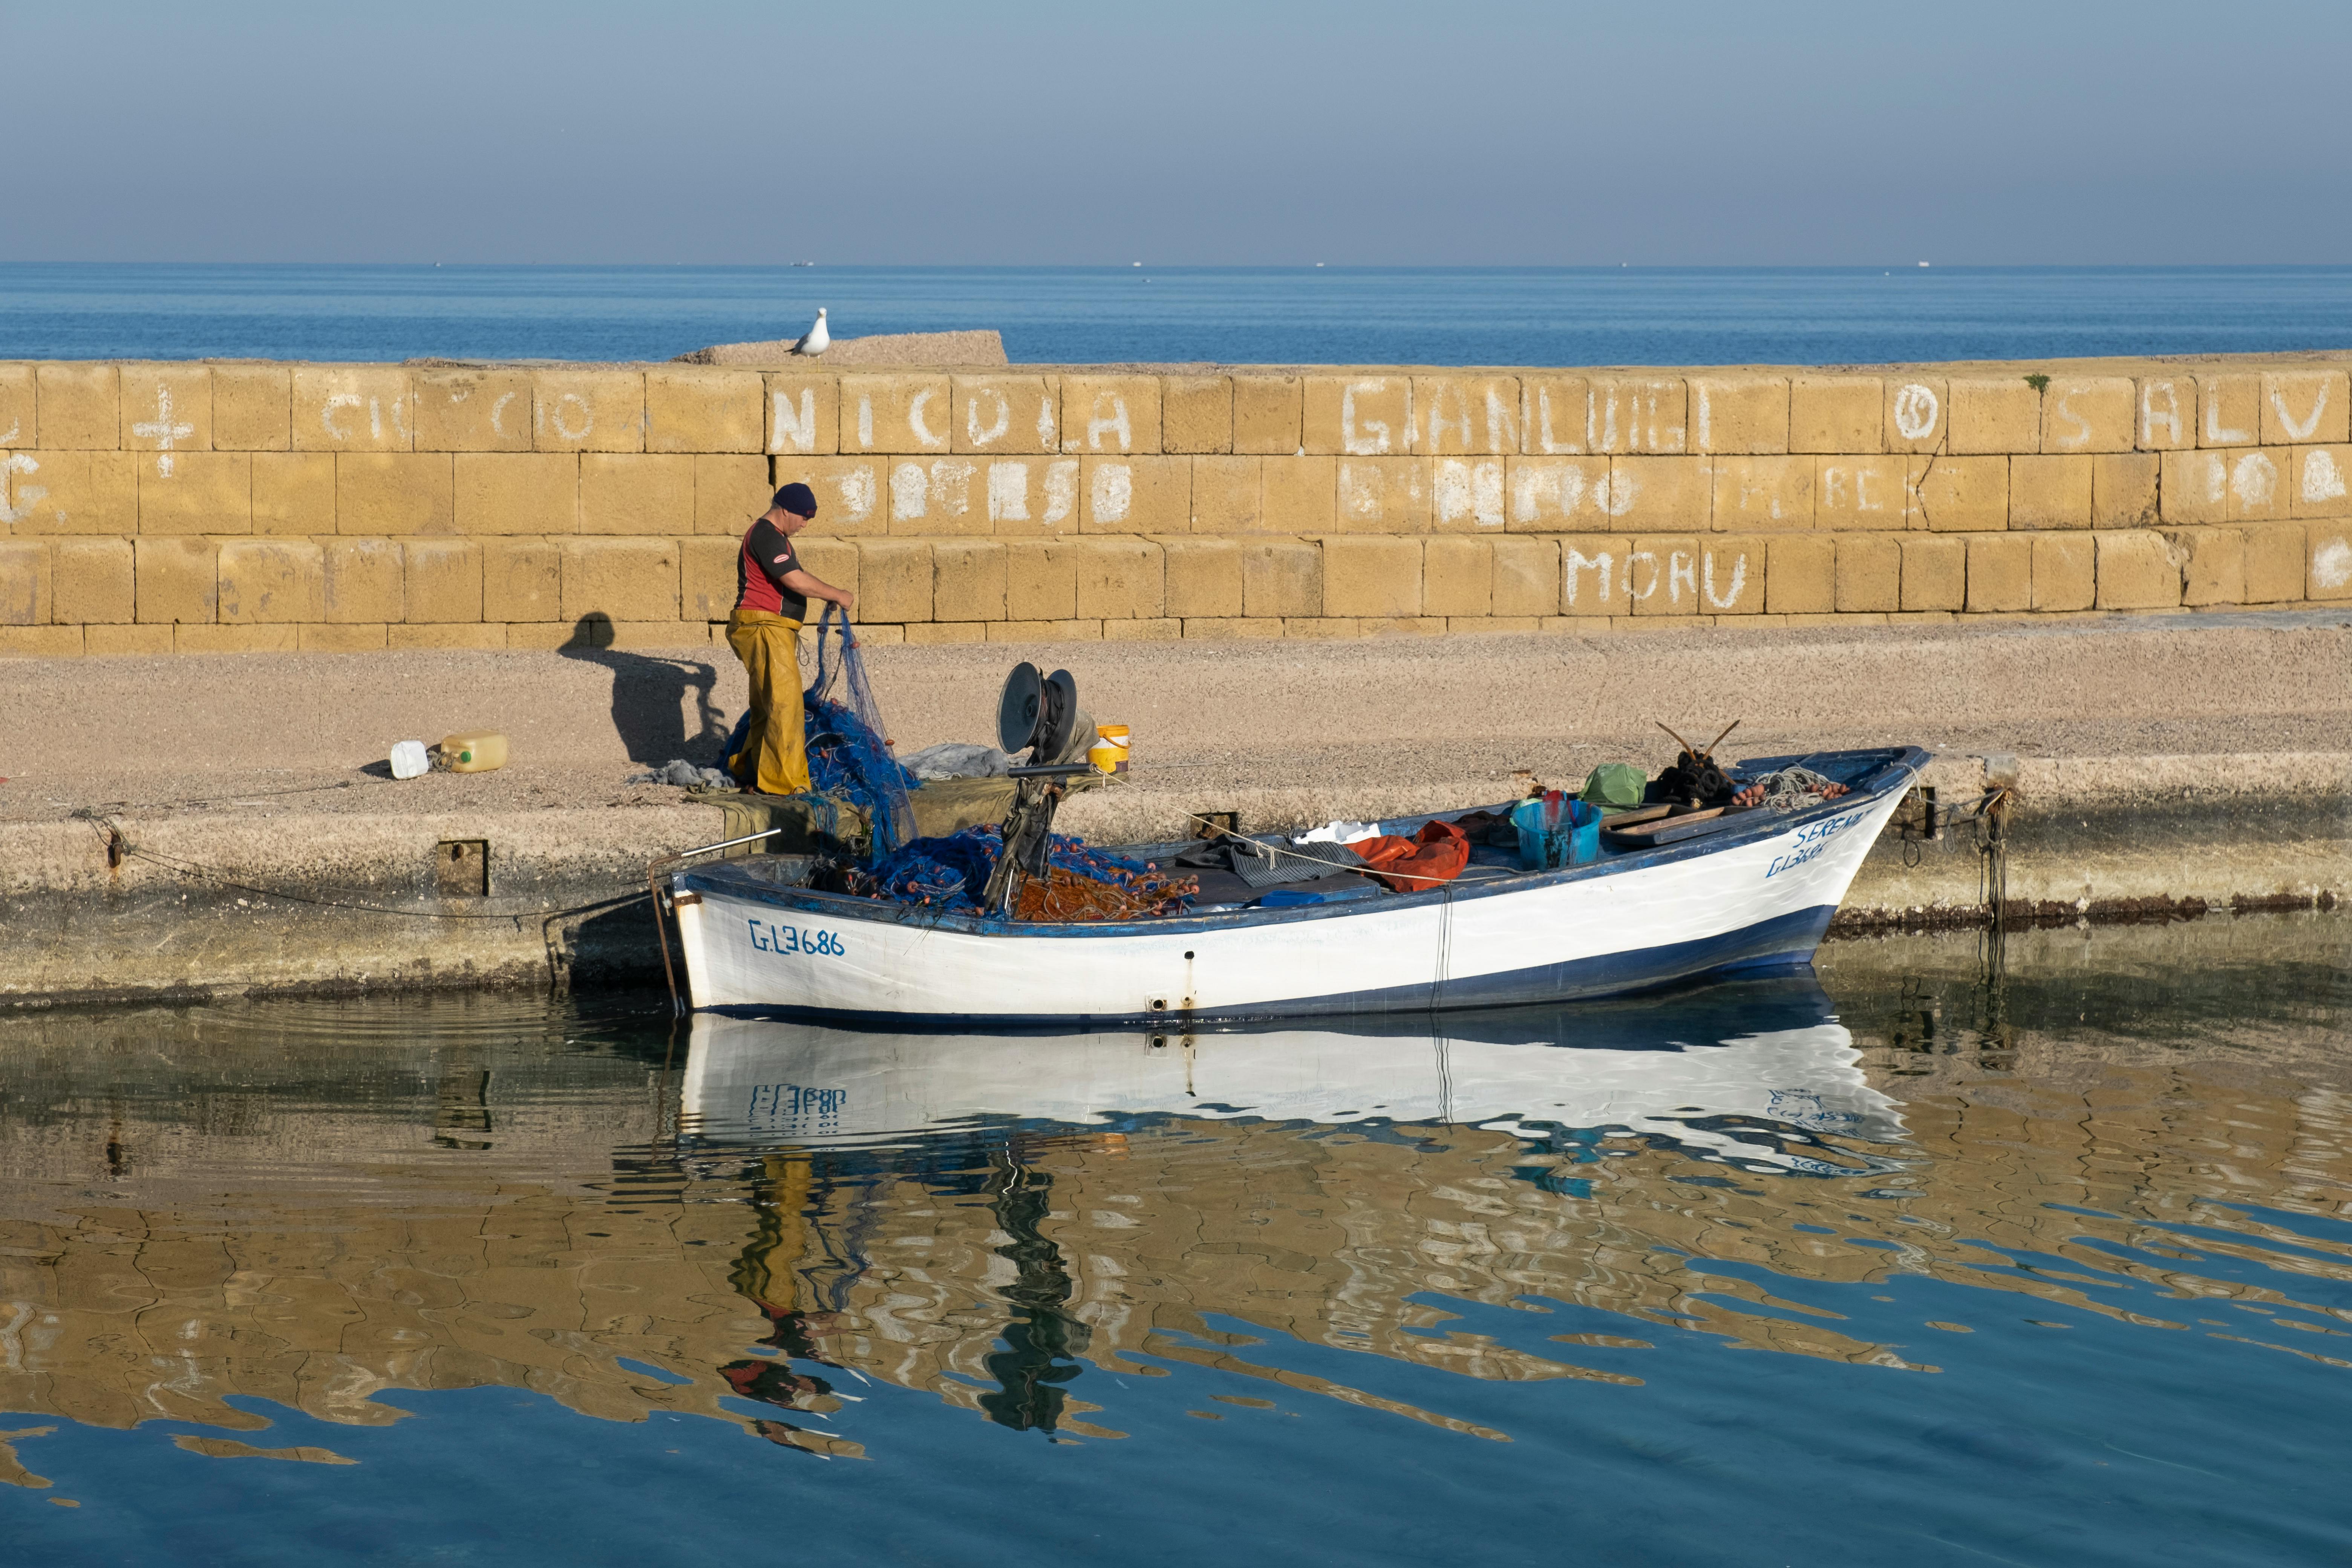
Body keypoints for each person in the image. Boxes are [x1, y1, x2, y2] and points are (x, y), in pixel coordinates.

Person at [726, 482, 855, 795]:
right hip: (765, 627)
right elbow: (795, 580)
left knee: (767, 707)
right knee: (786, 707)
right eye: (803, 517)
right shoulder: (767, 534)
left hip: (769, 628)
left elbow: (797, 579)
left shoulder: (774, 536)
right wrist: (838, 594)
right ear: (785, 510)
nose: (805, 524)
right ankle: (783, 786)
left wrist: (827, 595)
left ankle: (752, 773)